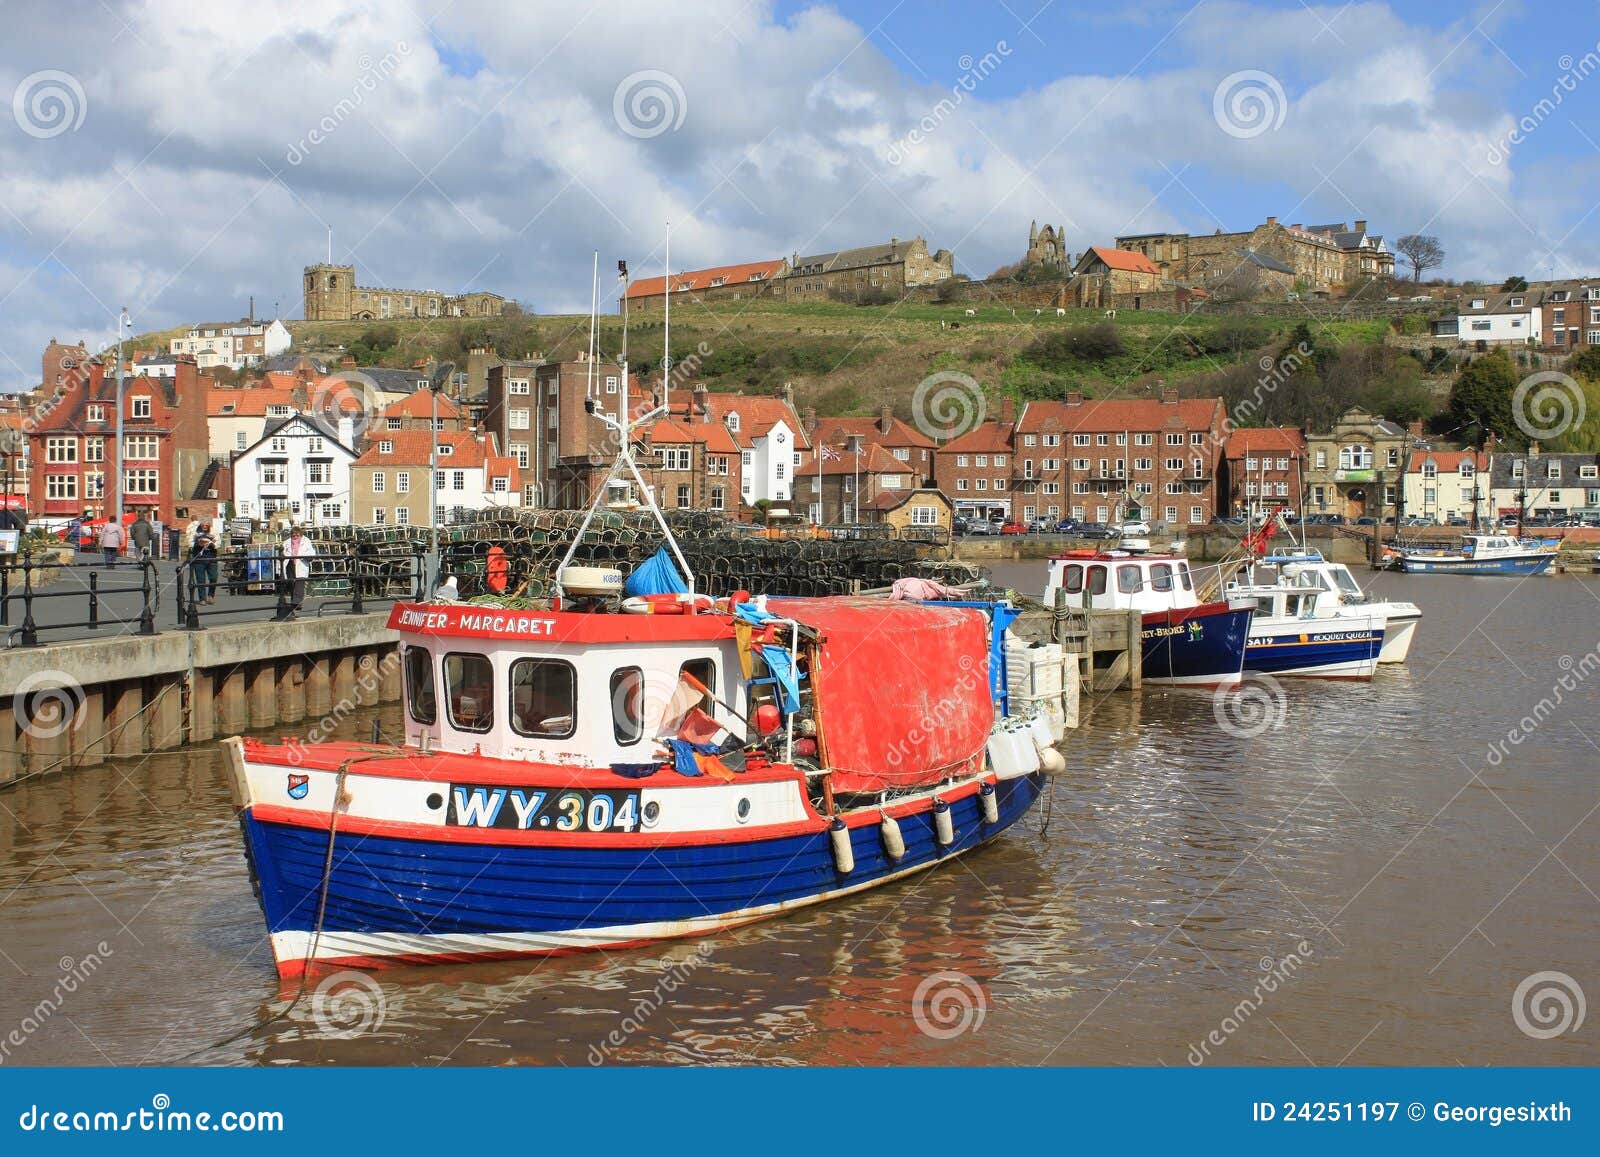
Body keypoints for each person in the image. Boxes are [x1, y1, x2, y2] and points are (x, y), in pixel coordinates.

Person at [282, 526, 318, 615]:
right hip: (290, 565)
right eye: (293, 535)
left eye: (297, 535)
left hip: (301, 564)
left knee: (299, 583)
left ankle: (297, 603)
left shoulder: (306, 541)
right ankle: (294, 602)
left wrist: (305, 556)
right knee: (292, 584)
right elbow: (283, 553)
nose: (295, 537)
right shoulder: (286, 542)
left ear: (300, 535)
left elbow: (311, 552)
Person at [189, 521, 218, 604]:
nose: (205, 526)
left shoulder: (213, 532)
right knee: (200, 579)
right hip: (199, 559)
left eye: (206, 525)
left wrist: (212, 544)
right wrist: (198, 544)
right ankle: (202, 599)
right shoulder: (195, 533)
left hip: (211, 558)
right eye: (203, 525)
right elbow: (190, 543)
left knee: (213, 577)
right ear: (200, 524)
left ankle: (211, 595)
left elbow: (218, 543)